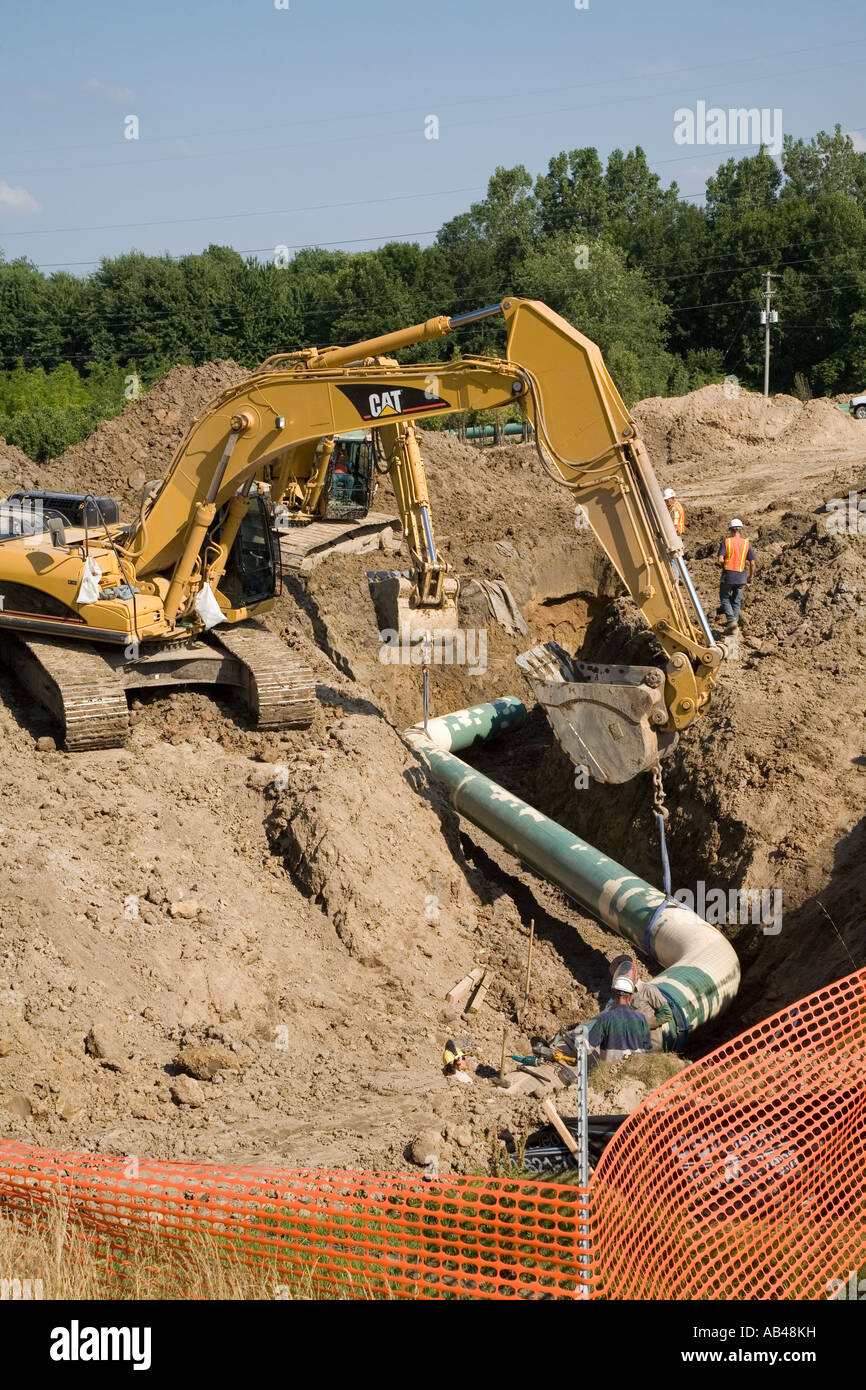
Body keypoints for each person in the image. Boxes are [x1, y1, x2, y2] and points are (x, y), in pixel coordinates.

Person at [587, 978, 652, 1062]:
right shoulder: (641, 1018)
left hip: (609, 1071)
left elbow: (587, 1046)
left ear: (613, 994)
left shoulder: (604, 1019)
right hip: (633, 1071)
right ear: (630, 996)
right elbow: (648, 1049)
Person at [717, 518, 756, 634]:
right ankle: (734, 626)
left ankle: (731, 621)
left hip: (728, 575)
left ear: (730, 530)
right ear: (741, 530)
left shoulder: (726, 542)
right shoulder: (746, 544)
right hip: (741, 577)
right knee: (736, 601)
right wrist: (751, 577)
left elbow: (720, 559)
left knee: (724, 597)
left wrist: (725, 566)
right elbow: (752, 563)